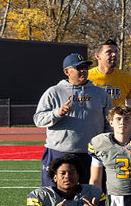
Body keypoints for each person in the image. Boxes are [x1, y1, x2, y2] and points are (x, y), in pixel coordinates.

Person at [35, 53, 112, 188]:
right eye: (79, 68)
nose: (83, 70)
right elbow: (38, 120)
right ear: (67, 72)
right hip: (59, 152)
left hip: (91, 154)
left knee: (91, 197)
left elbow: (109, 123)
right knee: (55, 196)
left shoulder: (100, 94)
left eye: (85, 67)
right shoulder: (53, 92)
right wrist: (57, 113)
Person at [86, 40, 131, 109]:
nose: (114, 54)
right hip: (93, 119)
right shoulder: (86, 77)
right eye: (109, 52)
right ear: (97, 56)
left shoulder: (127, 78)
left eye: (115, 52)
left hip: (117, 119)